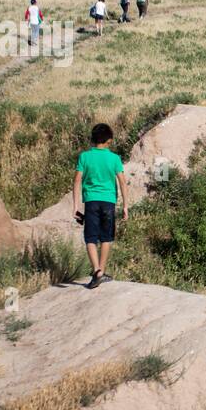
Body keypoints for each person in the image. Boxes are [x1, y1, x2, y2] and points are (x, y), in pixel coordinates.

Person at [72, 123, 128, 289]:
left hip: (91, 201)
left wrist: (75, 206)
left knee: (90, 237)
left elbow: (76, 181)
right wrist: (125, 206)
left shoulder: (84, 157)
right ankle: (101, 272)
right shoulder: (114, 158)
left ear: (93, 139)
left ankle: (96, 270)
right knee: (107, 237)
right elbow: (123, 183)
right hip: (109, 202)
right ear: (109, 140)